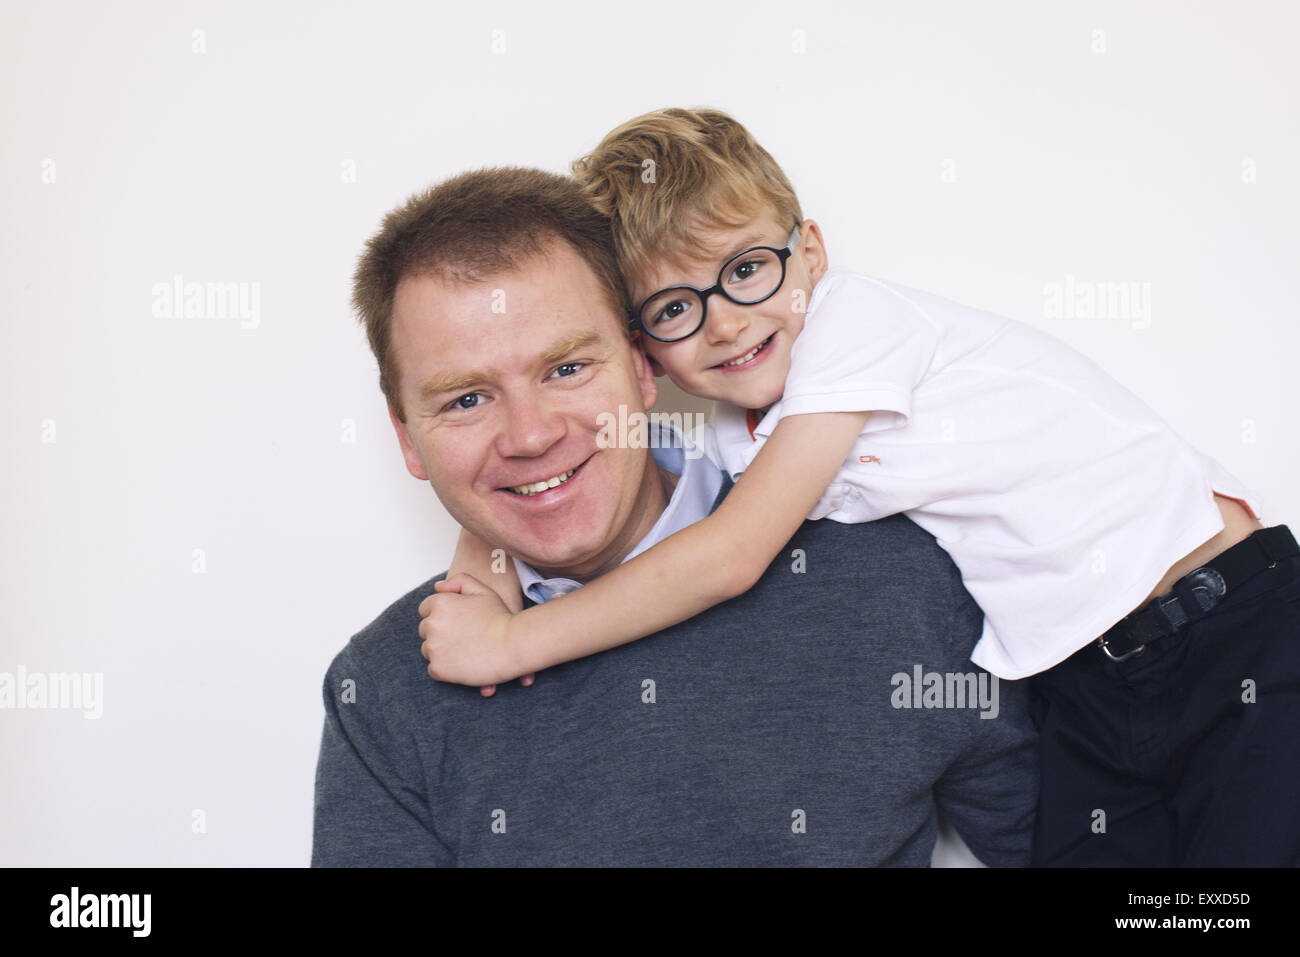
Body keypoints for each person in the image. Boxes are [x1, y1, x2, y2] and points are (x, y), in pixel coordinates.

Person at [420, 109, 1300, 866]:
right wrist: (489, 555)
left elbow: (729, 557)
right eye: (677, 307)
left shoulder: (855, 326)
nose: (726, 321)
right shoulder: (740, 427)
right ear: (646, 346)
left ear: (810, 253)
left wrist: (512, 642)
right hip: (1088, 684)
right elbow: (550, 447)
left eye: (747, 269)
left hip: (1229, 627)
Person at [310, 165, 1039, 866]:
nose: (530, 435)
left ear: (643, 366)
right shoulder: (389, 690)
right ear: (407, 434)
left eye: (566, 369)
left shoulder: (888, 577)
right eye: (467, 399)